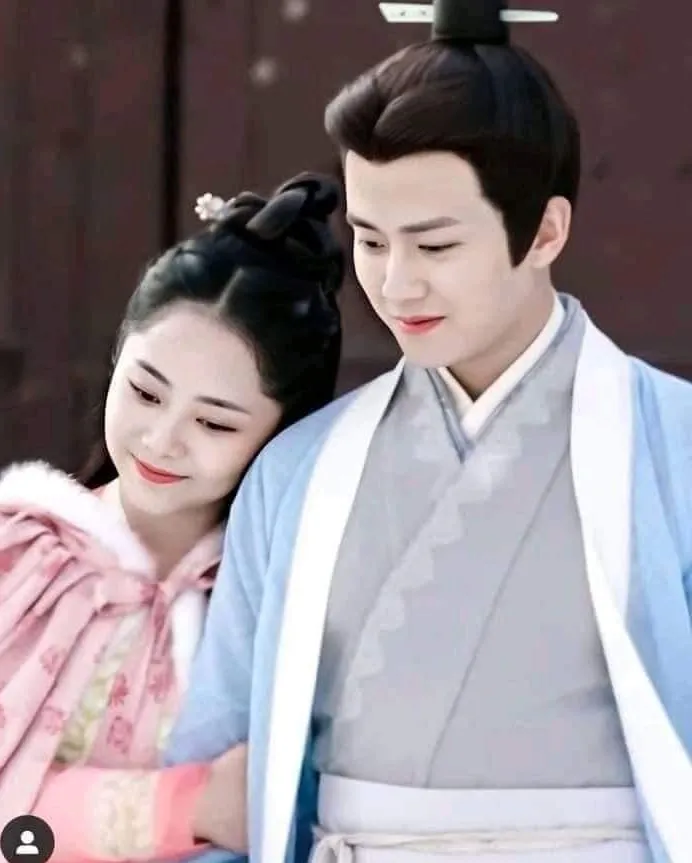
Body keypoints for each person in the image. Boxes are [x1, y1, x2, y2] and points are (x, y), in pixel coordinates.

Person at [165, 2, 692, 862]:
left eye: (435, 245)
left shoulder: (677, 447)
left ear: (545, 230)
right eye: (370, 241)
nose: (395, 283)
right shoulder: (299, 470)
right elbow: (217, 777)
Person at [0, 172, 343, 862]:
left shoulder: (277, 598)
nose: (162, 440)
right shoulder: (21, 550)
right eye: (146, 392)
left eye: (214, 422)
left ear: (282, 432)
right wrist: (192, 805)